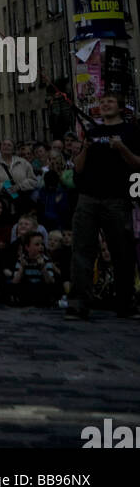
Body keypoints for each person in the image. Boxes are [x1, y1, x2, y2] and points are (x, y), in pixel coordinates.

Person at [66, 85, 140, 321]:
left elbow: (137, 163)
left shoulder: (130, 131)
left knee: (122, 252)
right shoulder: (92, 131)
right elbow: (78, 167)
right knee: (82, 250)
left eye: (110, 101)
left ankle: (126, 303)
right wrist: (85, 150)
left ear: (120, 107)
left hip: (116, 199)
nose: (105, 104)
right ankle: (79, 304)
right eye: (103, 101)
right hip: (88, 197)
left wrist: (121, 148)